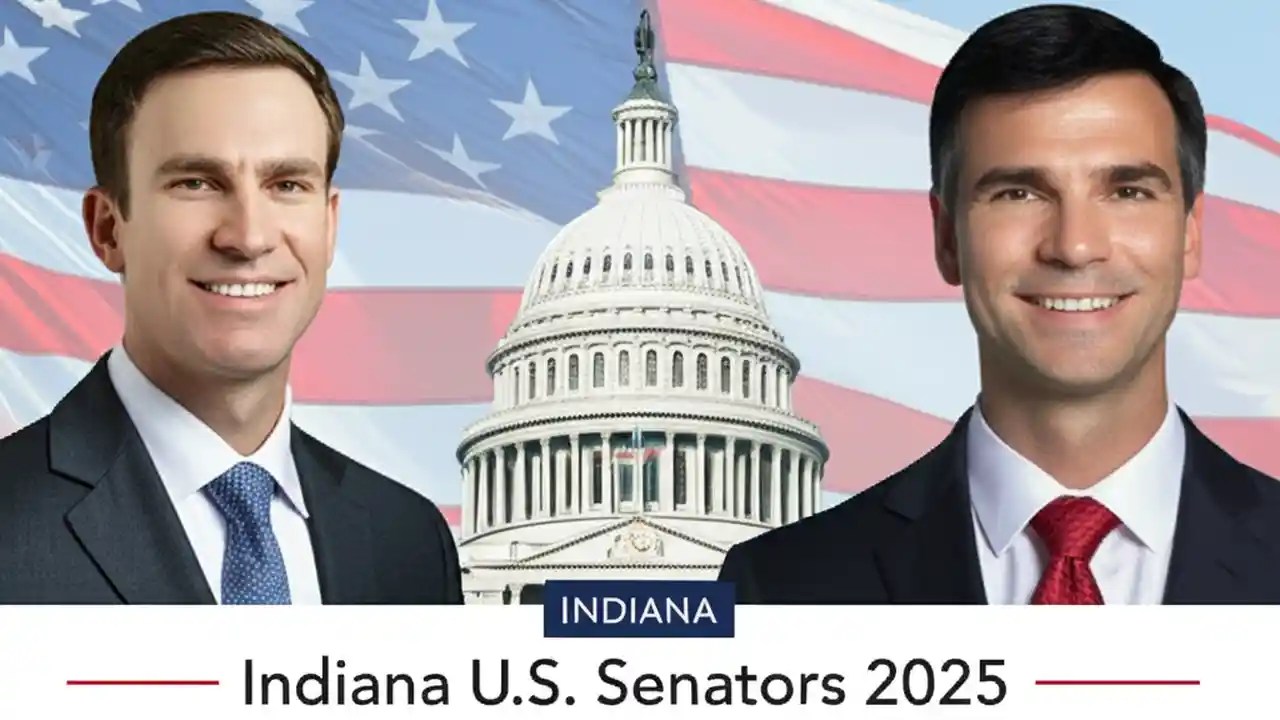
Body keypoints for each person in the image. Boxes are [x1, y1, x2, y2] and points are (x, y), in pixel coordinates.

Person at [718, 4, 1280, 605]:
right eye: (1018, 193)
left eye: (1127, 192)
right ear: (947, 238)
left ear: (1190, 233)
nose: (1074, 246)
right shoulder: (777, 589)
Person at [0, 12, 462, 604]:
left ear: (329, 225)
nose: (248, 237)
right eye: (196, 182)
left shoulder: (410, 542)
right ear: (108, 229)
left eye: (287, 185)